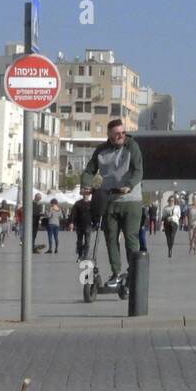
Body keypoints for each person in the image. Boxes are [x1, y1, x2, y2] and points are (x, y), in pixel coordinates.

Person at [80, 119, 145, 287]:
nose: (121, 136)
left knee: (131, 238)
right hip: (109, 199)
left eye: (123, 133)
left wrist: (129, 185)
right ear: (109, 135)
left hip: (131, 200)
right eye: (117, 134)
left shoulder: (132, 146)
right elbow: (89, 171)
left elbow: (138, 171)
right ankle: (116, 273)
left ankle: (133, 273)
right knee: (110, 237)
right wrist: (86, 185)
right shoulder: (101, 151)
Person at [72, 190, 91, 260]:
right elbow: (73, 213)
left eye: (87, 194)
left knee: (87, 242)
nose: (86, 195)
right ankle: (80, 255)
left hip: (88, 225)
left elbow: (94, 214)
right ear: (82, 195)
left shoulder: (91, 203)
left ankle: (85, 255)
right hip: (79, 225)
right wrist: (72, 223)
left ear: (89, 195)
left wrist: (95, 223)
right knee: (79, 242)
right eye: (85, 194)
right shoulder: (78, 203)